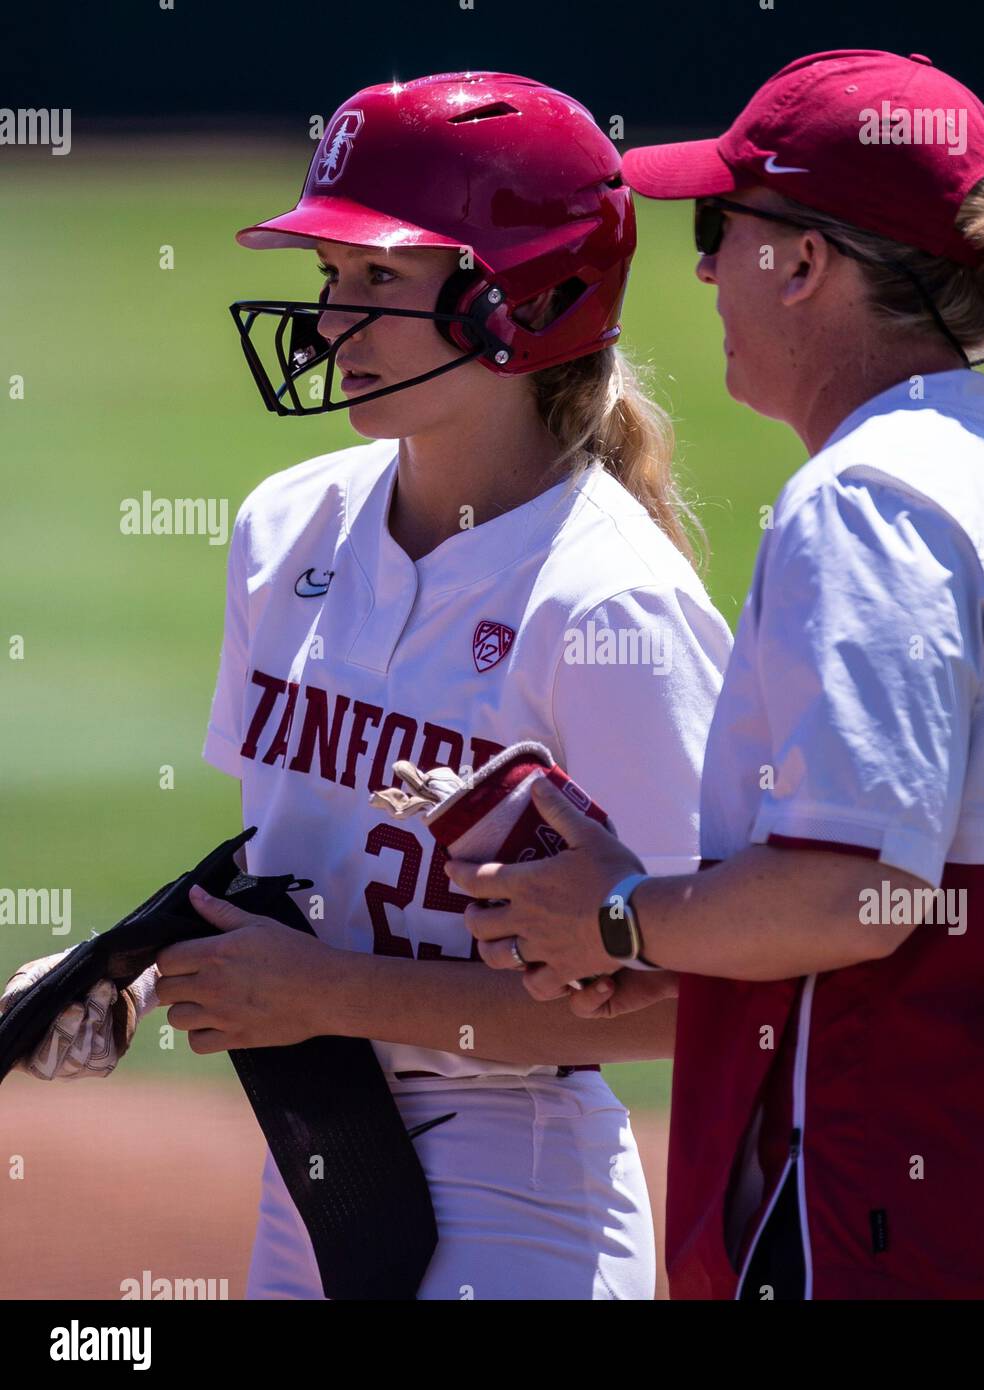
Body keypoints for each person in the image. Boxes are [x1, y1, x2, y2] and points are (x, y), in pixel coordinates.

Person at [445, 51, 984, 1300]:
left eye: (718, 229)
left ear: (801, 262)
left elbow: (858, 893)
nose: (702, 269)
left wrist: (618, 912)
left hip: (891, 1224)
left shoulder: (864, 502)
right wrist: (686, 940)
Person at [164, 71, 732, 1299]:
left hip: (516, 1188)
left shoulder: (608, 602)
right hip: (316, 1151)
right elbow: (305, 862)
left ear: (527, 302)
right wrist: (129, 964)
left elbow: (708, 1001)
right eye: (332, 275)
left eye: (379, 279)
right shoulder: (285, 527)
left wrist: (336, 994)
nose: (331, 322)